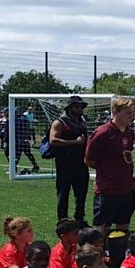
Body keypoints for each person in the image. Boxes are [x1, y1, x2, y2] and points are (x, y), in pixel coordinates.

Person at [84, 97, 135, 237]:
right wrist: (107, 172)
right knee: (102, 227)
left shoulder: (129, 132)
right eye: (127, 112)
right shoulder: (103, 133)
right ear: (115, 111)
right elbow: (89, 159)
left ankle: (119, 250)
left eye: (132, 112)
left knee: (124, 226)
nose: (131, 116)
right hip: (107, 189)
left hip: (127, 188)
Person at [47, 95, 90, 225]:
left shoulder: (82, 122)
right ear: (70, 108)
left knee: (81, 193)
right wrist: (74, 142)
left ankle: (79, 219)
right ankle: (63, 221)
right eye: (77, 106)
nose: (80, 109)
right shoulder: (59, 122)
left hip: (81, 163)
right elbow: (53, 141)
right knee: (63, 193)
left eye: (81, 106)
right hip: (65, 163)